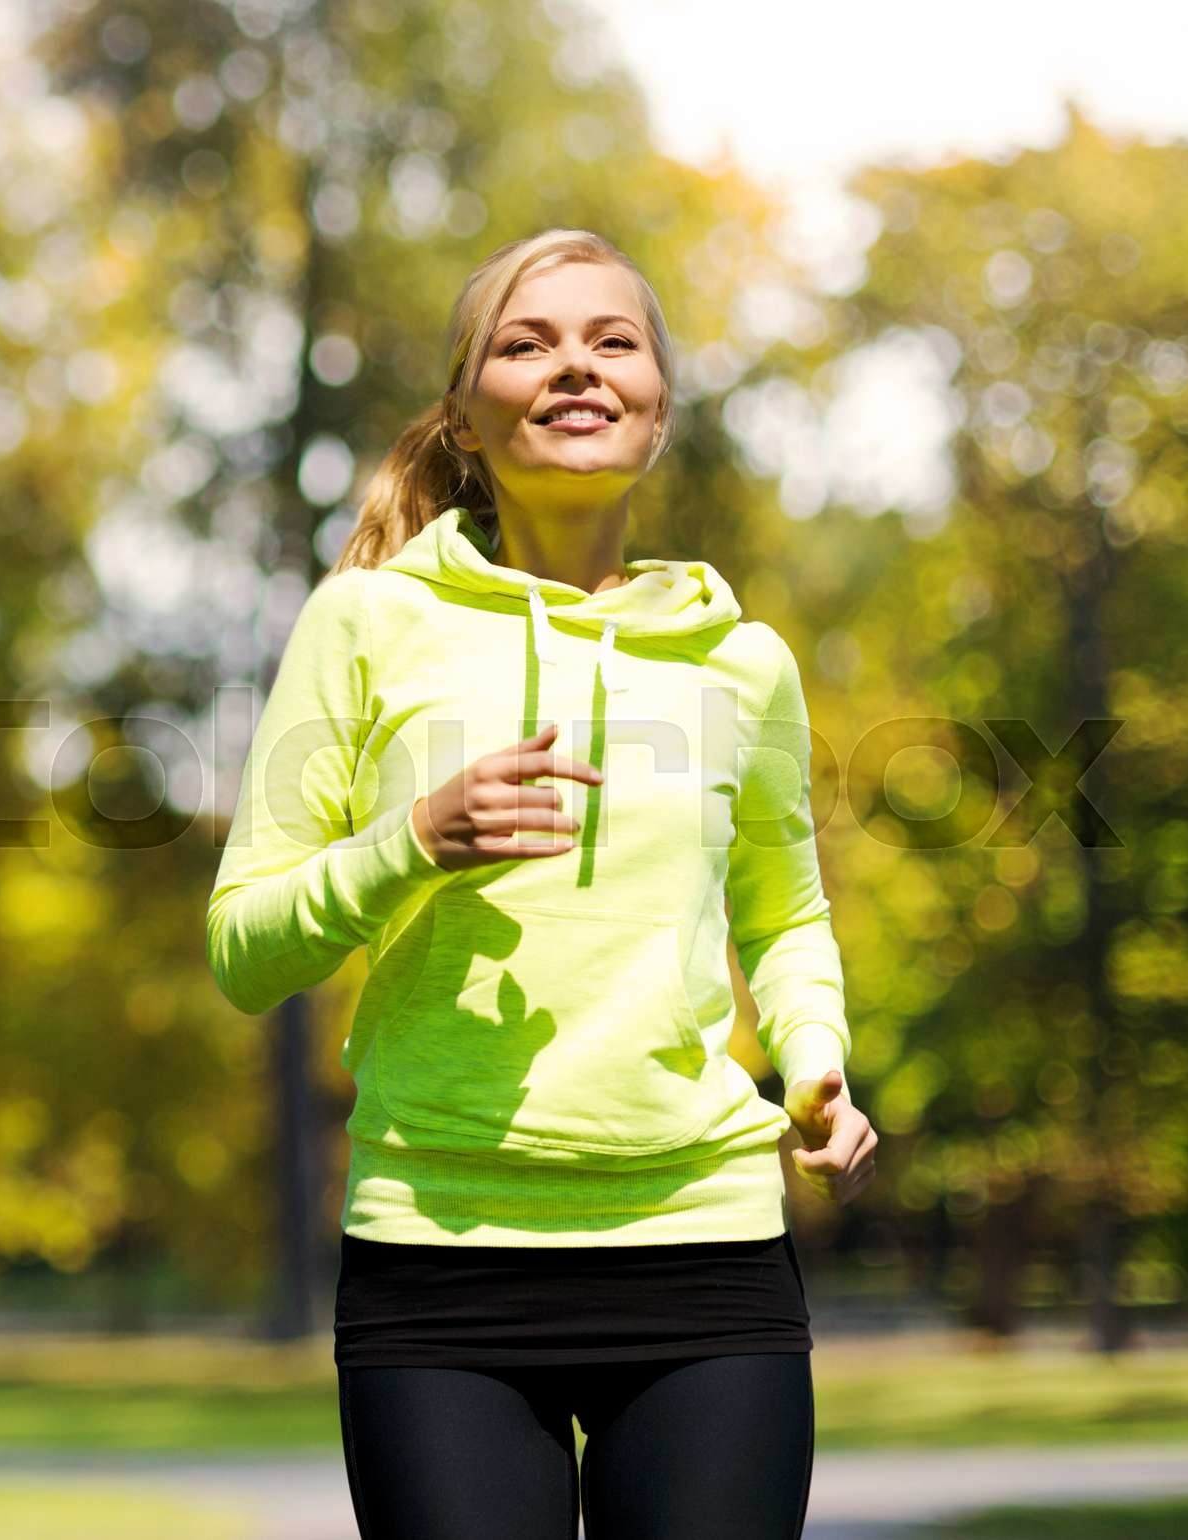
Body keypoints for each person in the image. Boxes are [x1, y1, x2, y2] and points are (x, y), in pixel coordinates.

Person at [207, 227, 877, 1539]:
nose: (573, 367)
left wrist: (815, 1058)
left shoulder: (743, 664)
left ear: (658, 403)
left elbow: (786, 915)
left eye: (609, 340)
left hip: (705, 1253)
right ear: (466, 410)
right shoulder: (366, 621)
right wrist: (413, 841)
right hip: (438, 1267)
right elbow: (246, 947)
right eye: (526, 343)